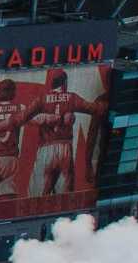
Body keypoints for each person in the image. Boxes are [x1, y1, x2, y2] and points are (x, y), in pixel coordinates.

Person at [22, 70, 106, 198]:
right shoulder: (72, 97)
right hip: (65, 148)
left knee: (35, 199)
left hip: (46, 148)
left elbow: (25, 117)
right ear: (65, 83)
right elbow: (96, 109)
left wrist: (47, 118)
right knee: (64, 199)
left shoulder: (41, 99)